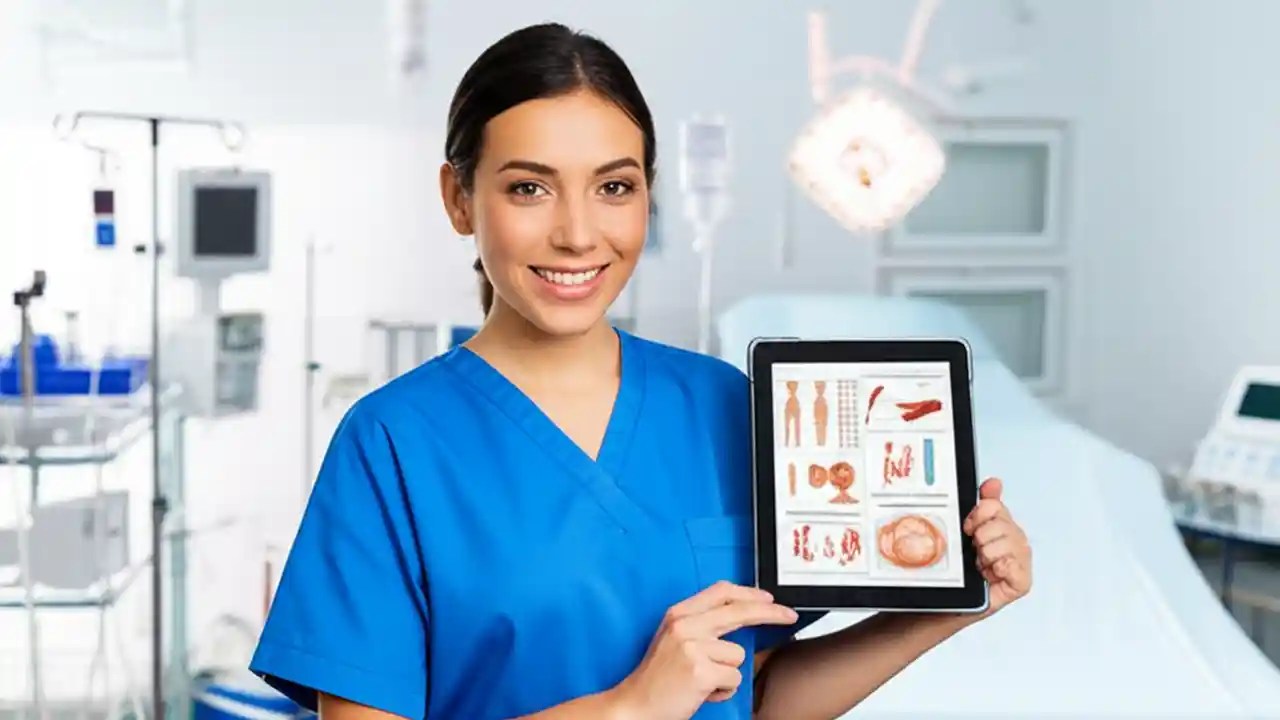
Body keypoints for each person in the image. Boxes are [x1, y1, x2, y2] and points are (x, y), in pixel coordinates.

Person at [248, 22, 1033, 720]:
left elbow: (752, 695)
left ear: (647, 199)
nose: (578, 233)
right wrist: (629, 707)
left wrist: (948, 604)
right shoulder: (392, 445)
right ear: (459, 199)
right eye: (529, 188)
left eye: (614, 187)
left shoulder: (729, 407)